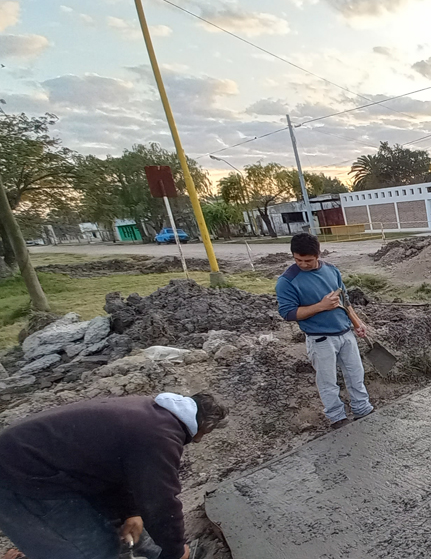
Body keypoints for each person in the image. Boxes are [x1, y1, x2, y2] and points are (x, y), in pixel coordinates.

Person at [0, 392, 228, 559]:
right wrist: (177, 551)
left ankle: (148, 553)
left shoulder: (150, 412)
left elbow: (118, 469)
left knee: (122, 528)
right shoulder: (160, 437)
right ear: (203, 427)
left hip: (51, 468)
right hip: (19, 476)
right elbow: (159, 501)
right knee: (88, 551)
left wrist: (130, 513)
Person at [277, 232, 374, 428]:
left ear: (318, 255)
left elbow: (344, 301)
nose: (303, 264)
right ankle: (337, 418)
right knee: (328, 382)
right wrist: (320, 306)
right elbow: (288, 313)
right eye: (298, 260)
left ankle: (362, 409)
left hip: (345, 334)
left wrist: (357, 323)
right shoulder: (287, 281)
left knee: (356, 374)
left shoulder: (332, 271)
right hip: (319, 339)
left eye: (308, 260)